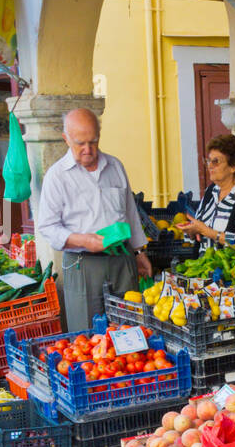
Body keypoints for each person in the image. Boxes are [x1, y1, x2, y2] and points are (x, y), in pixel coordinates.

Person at [36, 107, 152, 331]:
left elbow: (130, 213)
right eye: (80, 143)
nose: (88, 149)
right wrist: (82, 240)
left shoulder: (115, 166)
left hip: (122, 259)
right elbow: (48, 227)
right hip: (83, 263)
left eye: (93, 141)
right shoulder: (56, 176)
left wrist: (139, 252)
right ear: (66, 139)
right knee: (87, 333)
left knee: (129, 326)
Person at [180, 134, 235, 252]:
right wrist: (192, 231)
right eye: (208, 161)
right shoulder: (211, 191)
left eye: (215, 162)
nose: (209, 166)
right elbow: (199, 229)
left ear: (233, 166)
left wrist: (206, 231)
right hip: (206, 265)